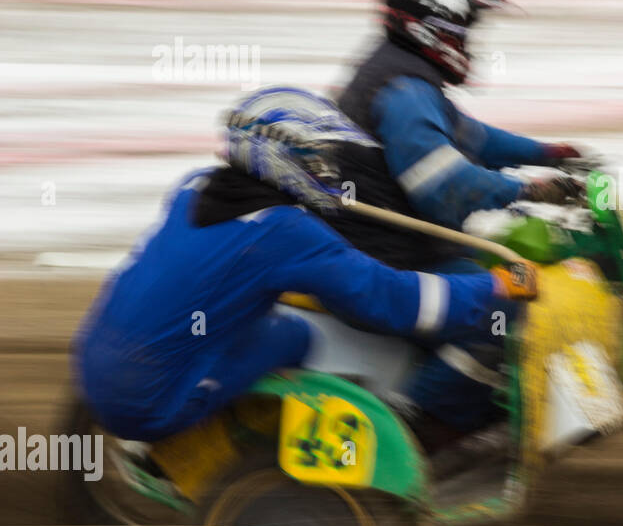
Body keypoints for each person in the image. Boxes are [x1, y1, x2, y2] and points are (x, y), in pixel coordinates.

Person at [71, 87, 536, 443]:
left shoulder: (193, 187)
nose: (327, 169)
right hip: (150, 405)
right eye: (314, 158)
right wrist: (495, 288)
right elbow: (390, 300)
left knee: (263, 314)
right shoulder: (282, 233)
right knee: (297, 334)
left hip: (93, 361)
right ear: (279, 161)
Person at [330, 0, 589, 435]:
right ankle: (415, 424)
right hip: (390, 259)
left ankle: (481, 410)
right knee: (516, 302)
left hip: (391, 245)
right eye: (466, 30)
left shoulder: (402, 74)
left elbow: (472, 137)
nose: (469, 43)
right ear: (436, 28)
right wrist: (532, 188)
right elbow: (446, 188)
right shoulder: (404, 89)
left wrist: (549, 153)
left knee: (507, 259)